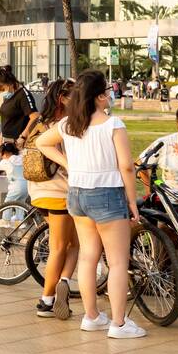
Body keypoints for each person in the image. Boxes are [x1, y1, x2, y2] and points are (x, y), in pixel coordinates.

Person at [35, 69, 145, 339]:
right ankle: (119, 324)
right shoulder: (112, 125)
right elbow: (127, 168)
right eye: (106, 92)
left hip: (77, 195)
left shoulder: (69, 125)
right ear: (98, 96)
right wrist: (132, 201)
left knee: (87, 255)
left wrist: (68, 164)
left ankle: (91, 316)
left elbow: (41, 142)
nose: (109, 96)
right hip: (108, 195)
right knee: (118, 262)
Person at [30, 79, 79, 319]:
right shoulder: (63, 126)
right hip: (59, 192)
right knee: (61, 247)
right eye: (75, 96)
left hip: (37, 192)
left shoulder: (39, 121)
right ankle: (47, 300)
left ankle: (64, 283)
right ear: (63, 98)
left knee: (73, 244)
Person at [0, 66, 40, 144]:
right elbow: (7, 118)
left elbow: (35, 116)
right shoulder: (9, 95)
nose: (2, 92)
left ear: (10, 84)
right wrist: (1, 136)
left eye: (2, 89)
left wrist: (23, 136)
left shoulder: (23, 94)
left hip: (18, 141)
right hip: (6, 140)